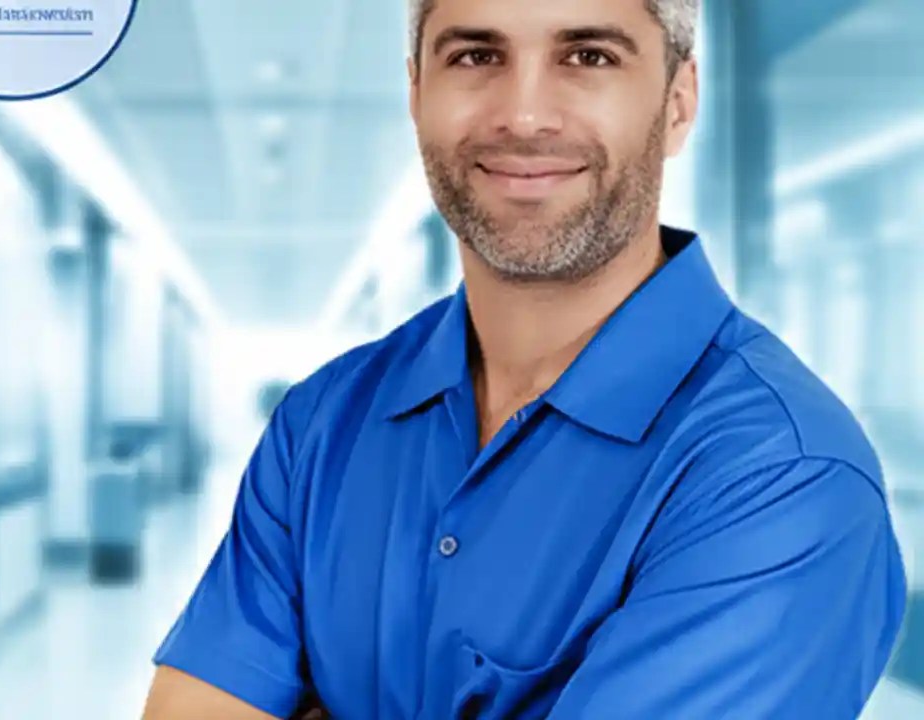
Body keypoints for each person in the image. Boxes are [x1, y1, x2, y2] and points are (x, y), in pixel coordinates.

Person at [141, 0, 908, 717]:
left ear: (677, 101)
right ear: (416, 93)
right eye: (476, 55)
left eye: (588, 56)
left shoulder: (781, 475)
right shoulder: (322, 422)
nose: (525, 116)